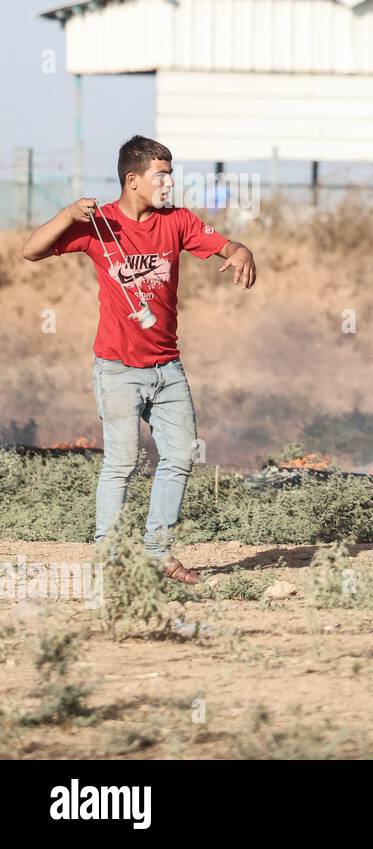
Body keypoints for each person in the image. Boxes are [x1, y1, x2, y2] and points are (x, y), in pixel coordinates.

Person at [21, 135, 257, 584]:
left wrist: (241, 250)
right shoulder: (99, 225)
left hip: (168, 369)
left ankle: (158, 553)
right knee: (122, 464)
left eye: (170, 174)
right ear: (133, 180)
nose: (169, 183)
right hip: (117, 370)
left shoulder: (179, 221)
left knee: (180, 456)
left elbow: (227, 247)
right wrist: (68, 214)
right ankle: (109, 559)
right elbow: (30, 250)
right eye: (161, 176)